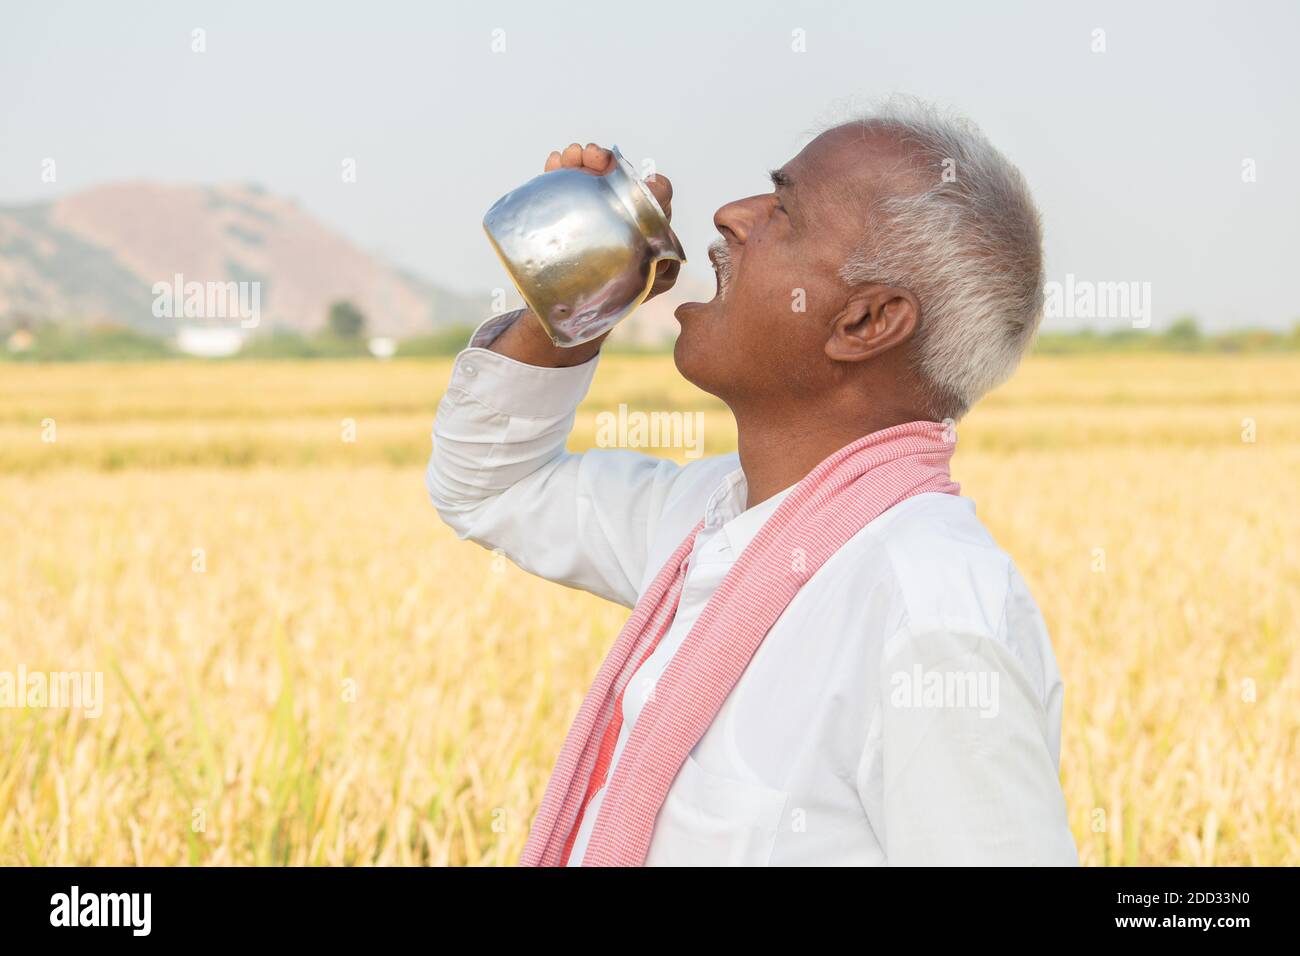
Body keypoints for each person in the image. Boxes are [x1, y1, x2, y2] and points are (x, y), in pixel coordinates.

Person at [427, 99, 1079, 866]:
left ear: (867, 323)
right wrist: (573, 294)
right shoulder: (709, 518)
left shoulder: (927, 609)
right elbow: (490, 486)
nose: (732, 215)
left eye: (785, 212)